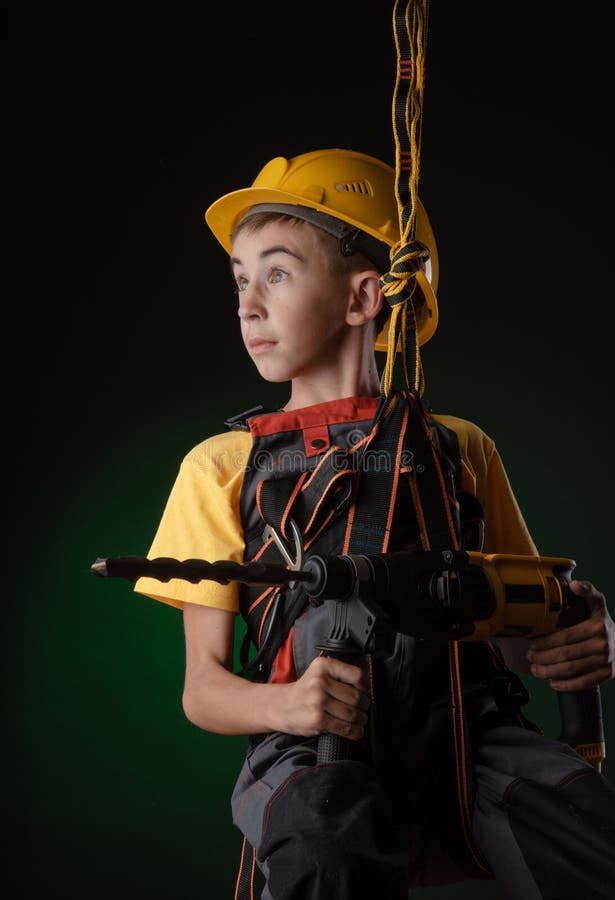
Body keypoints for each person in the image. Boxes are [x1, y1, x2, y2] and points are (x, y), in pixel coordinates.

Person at [133, 148, 615, 899]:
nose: (247, 304)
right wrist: (284, 705)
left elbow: (518, 632)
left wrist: (574, 636)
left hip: (469, 740)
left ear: (365, 296)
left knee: (585, 824)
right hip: (313, 753)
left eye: (278, 273)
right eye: (239, 280)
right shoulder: (222, 465)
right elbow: (204, 690)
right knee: (322, 836)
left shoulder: (456, 447)